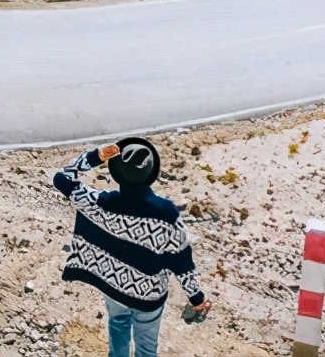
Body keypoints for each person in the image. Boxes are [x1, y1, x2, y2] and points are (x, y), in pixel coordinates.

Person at [52, 136, 212, 357]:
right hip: (149, 296)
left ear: (117, 173)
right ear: (150, 174)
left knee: (118, 330)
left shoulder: (99, 203)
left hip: (114, 286)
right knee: (146, 347)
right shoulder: (166, 214)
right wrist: (196, 298)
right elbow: (182, 263)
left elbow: (61, 177)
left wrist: (95, 157)